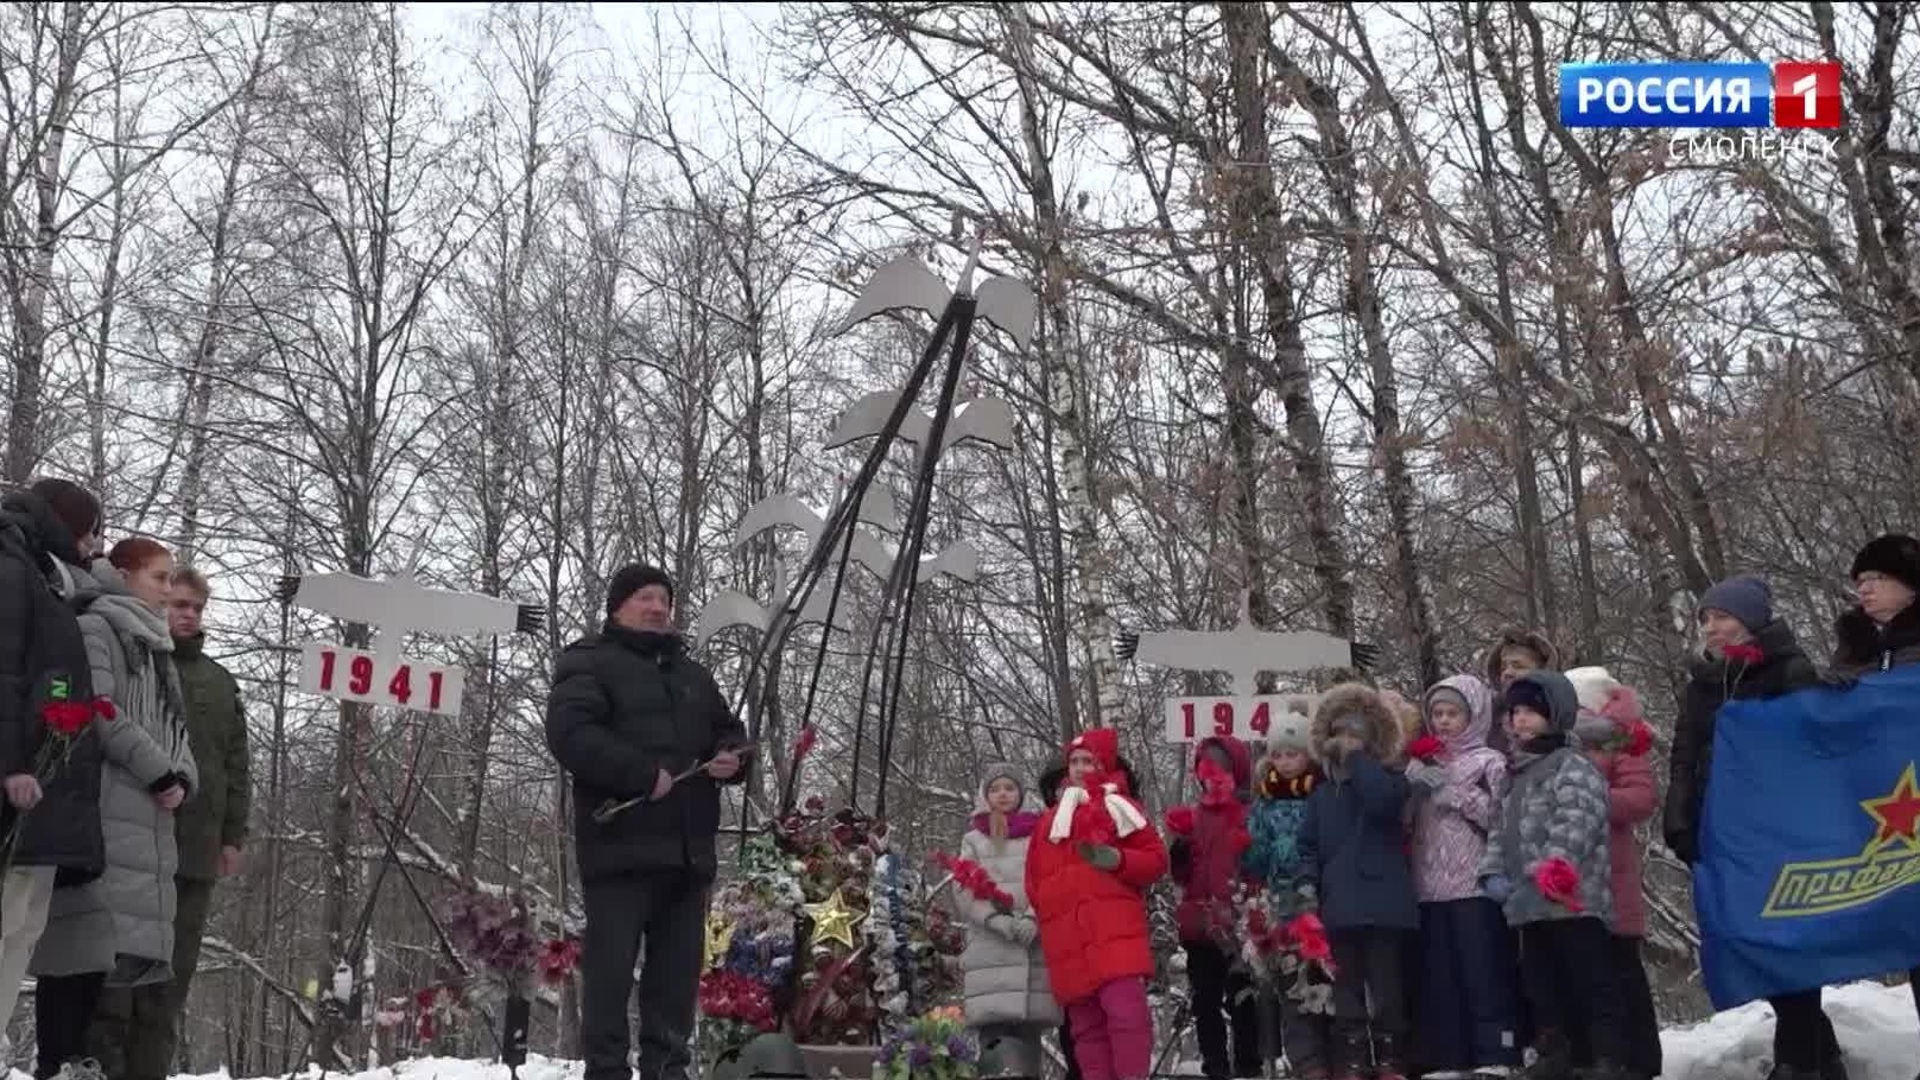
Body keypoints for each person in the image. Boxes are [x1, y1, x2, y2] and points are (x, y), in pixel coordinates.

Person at [543, 564, 750, 1080]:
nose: (658, 607)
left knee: (675, 982)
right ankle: (607, 1071)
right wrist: (640, 775)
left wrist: (732, 757)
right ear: (618, 606)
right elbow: (570, 733)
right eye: (644, 598)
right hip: (620, 851)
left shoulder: (693, 676)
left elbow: (732, 733)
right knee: (610, 977)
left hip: (687, 855)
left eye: (664, 599)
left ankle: (667, 1070)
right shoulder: (588, 663)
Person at [1664, 575, 1841, 1080]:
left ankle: (1798, 1055)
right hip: (1723, 830)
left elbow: (1810, 747)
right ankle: (1820, 1053)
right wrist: (1679, 814)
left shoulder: (1789, 669)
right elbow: (1684, 754)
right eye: (1705, 619)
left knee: (1785, 936)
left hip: (1778, 829)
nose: (1710, 628)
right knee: (1751, 938)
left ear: (1751, 620)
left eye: (1721, 617)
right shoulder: (1701, 682)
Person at [34, 537, 199, 1080]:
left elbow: (172, 724)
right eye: (158, 577)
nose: (168, 589)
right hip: (105, 807)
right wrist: (158, 769)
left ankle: (83, 1066)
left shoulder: (155, 647)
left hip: (146, 819)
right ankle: (57, 1064)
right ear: (122, 573)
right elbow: (102, 711)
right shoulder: (96, 627)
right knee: (78, 952)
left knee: (109, 960)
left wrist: (182, 774)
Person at [1477, 670, 1626, 1080]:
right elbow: (1499, 829)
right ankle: (1556, 1051)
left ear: (1555, 715)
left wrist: (1555, 864)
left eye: (1532, 711)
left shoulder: (1571, 766)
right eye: (1516, 712)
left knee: (1590, 979)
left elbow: (1577, 818)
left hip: (1573, 901)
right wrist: (1492, 871)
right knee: (1542, 983)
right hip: (1527, 905)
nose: (1521, 720)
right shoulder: (1514, 775)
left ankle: (1606, 1056)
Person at [0, 480, 106, 1041]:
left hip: (44, 784)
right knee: (7, 921)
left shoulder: (41, 572)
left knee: (22, 924)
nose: (93, 547)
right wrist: (12, 764)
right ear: (65, 523)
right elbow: (8, 671)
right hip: (18, 784)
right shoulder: (12, 567)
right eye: (90, 533)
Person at [1026, 727, 1167, 1080]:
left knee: (1126, 1015)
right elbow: (1034, 882)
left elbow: (1154, 861)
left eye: (1088, 760)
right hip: (1069, 944)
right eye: (1074, 761)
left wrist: (1118, 860)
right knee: (1086, 1031)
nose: (1079, 768)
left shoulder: (1122, 808)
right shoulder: (1049, 822)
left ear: (1103, 763)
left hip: (1114, 936)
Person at [1830, 535, 1920, 1078]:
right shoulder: (1857, 649)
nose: (1863, 591)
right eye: (1858, 583)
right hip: (1888, 817)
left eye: (1875, 580)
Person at [1403, 675, 1521, 1080]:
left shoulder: (1489, 761)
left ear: (1473, 715)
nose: (1443, 722)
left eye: (1452, 713)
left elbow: (1502, 818)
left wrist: (1457, 792)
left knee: (1482, 972)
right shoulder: (1421, 766)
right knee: (1441, 976)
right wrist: (1413, 788)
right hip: (1428, 888)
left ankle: (1498, 1052)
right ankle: (1450, 1056)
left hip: (1474, 884)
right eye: (1437, 713)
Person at [1300, 683, 1418, 1080]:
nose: (1347, 742)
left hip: (1385, 903)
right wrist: (1306, 886)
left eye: (1355, 735)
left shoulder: (1391, 779)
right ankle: (1352, 1056)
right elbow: (1308, 846)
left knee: (1387, 987)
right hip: (1340, 904)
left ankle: (1391, 1057)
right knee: (1346, 987)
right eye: (1341, 734)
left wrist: (1360, 763)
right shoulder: (1321, 795)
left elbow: (1384, 804)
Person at [158, 565, 251, 1066]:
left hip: (198, 848)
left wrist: (232, 837)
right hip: (136, 846)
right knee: (121, 974)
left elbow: (237, 764)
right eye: (180, 605)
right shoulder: (142, 663)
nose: (190, 615)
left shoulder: (220, 682)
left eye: (197, 607)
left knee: (175, 974)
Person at [1565, 667, 1661, 1080]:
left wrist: (1590, 798)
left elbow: (1642, 797)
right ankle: (1592, 1054)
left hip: (1612, 866)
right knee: (1584, 972)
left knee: (1622, 967)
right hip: (1571, 872)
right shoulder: (1563, 742)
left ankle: (1638, 1058)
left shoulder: (1619, 739)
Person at [1165, 735, 1260, 1080]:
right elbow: (1182, 877)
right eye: (1206, 769)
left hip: (1238, 924)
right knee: (1205, 1004)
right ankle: (1215, 1066)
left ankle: (1249, 1066)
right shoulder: (1192, 817)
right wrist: (1178, 856)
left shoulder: (1249, 814)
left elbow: (1258, 868)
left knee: (1243, 1001)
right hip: (1200, 925)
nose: (1212, 776)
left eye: (1219, 768)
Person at [954, 763, 1058, 1079]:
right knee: (996, 1045)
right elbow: (964, 888)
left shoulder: (1039, 834)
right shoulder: (975, 839)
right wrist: (996, 921)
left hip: (1032, 948)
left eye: (1009, 788)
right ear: (986, 796)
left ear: (1021, 794)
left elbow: (1049, 879)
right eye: (996, 789)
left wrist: (1033, 918)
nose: (1003, 795)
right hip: (991, 950)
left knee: (1028, 1042)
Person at [1244, 711, 1327, 1079]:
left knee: (1323, 980)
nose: (1285, 762)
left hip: (1321, 898)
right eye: (1277, 755)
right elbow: (1255, 856)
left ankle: (1334, 1055)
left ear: (1308, 754)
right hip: (1282, 901)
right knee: (1291, 982)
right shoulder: (1265, 801)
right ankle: (1305, 1061)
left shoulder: (1323, 792)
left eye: (1292, 753)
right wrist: (1250, 848)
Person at [1479, 629, 1560, 754]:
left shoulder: (1561, 715)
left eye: (1518, 666)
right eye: (1503, 668)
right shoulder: (1487, 718)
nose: (1507, 673)